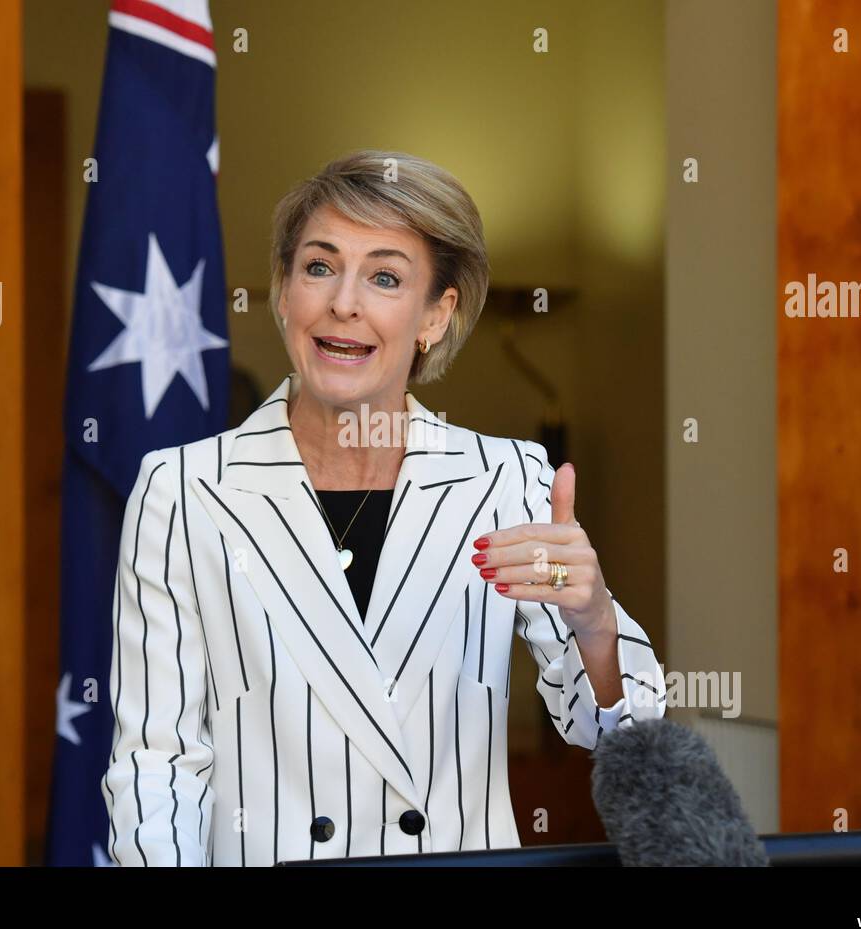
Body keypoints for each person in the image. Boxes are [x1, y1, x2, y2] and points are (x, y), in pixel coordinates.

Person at [101, 149, 666, 866]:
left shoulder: (504, 478)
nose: (345, 302)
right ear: (282, 292)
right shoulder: (182, 490)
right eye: (318, 267)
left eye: (386, 277)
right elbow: (158, 765)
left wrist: (594, 624)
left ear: (436, 314)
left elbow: (624, 733)